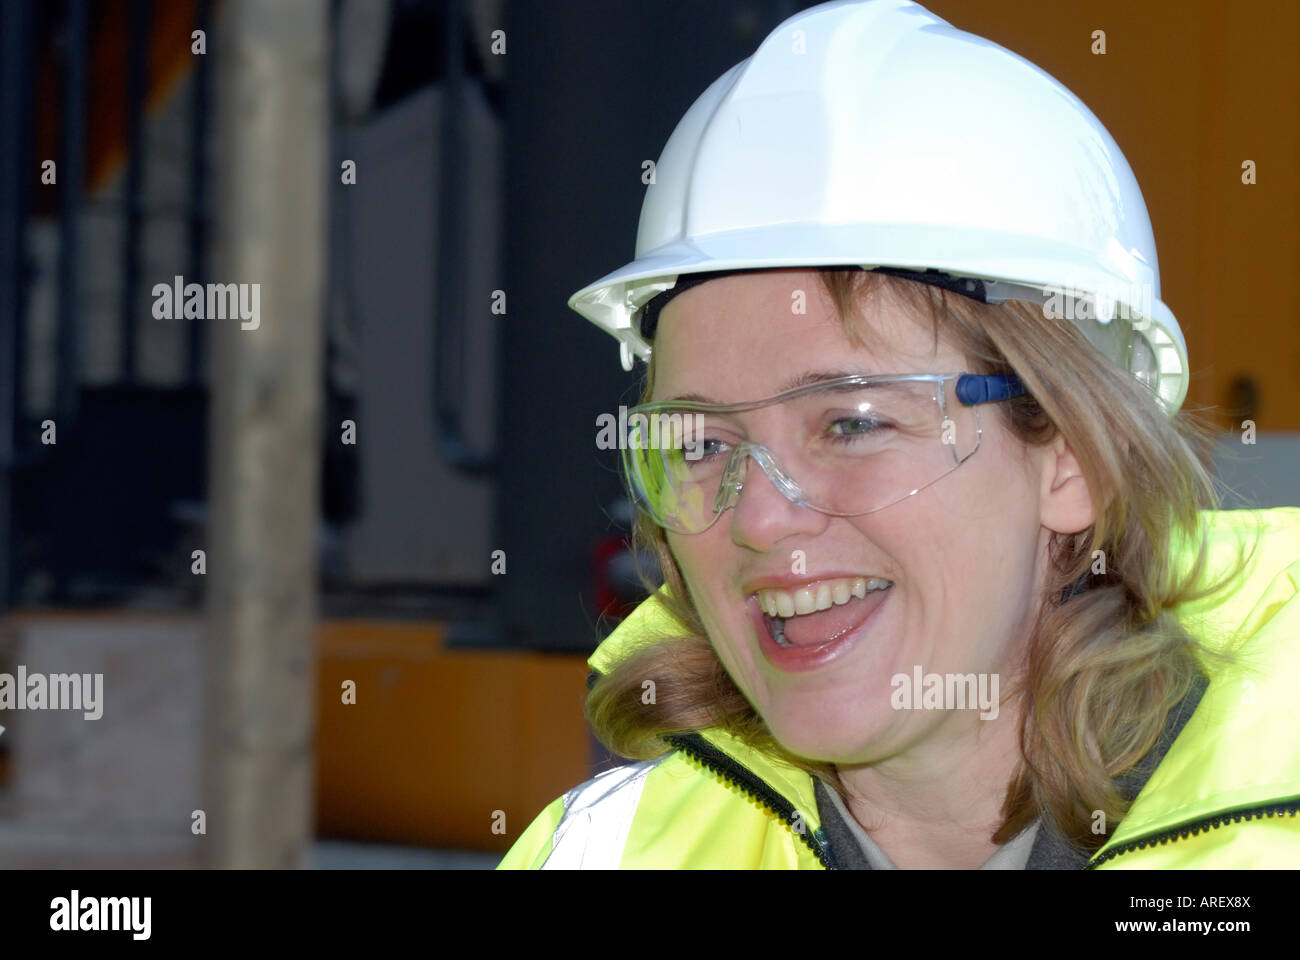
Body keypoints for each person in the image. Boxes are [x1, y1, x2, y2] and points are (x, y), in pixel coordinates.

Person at [498, 0, 1300, 869]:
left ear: (1075, 453)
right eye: (701, 444)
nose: (761, 521)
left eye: (851, 423)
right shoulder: (604, 854)